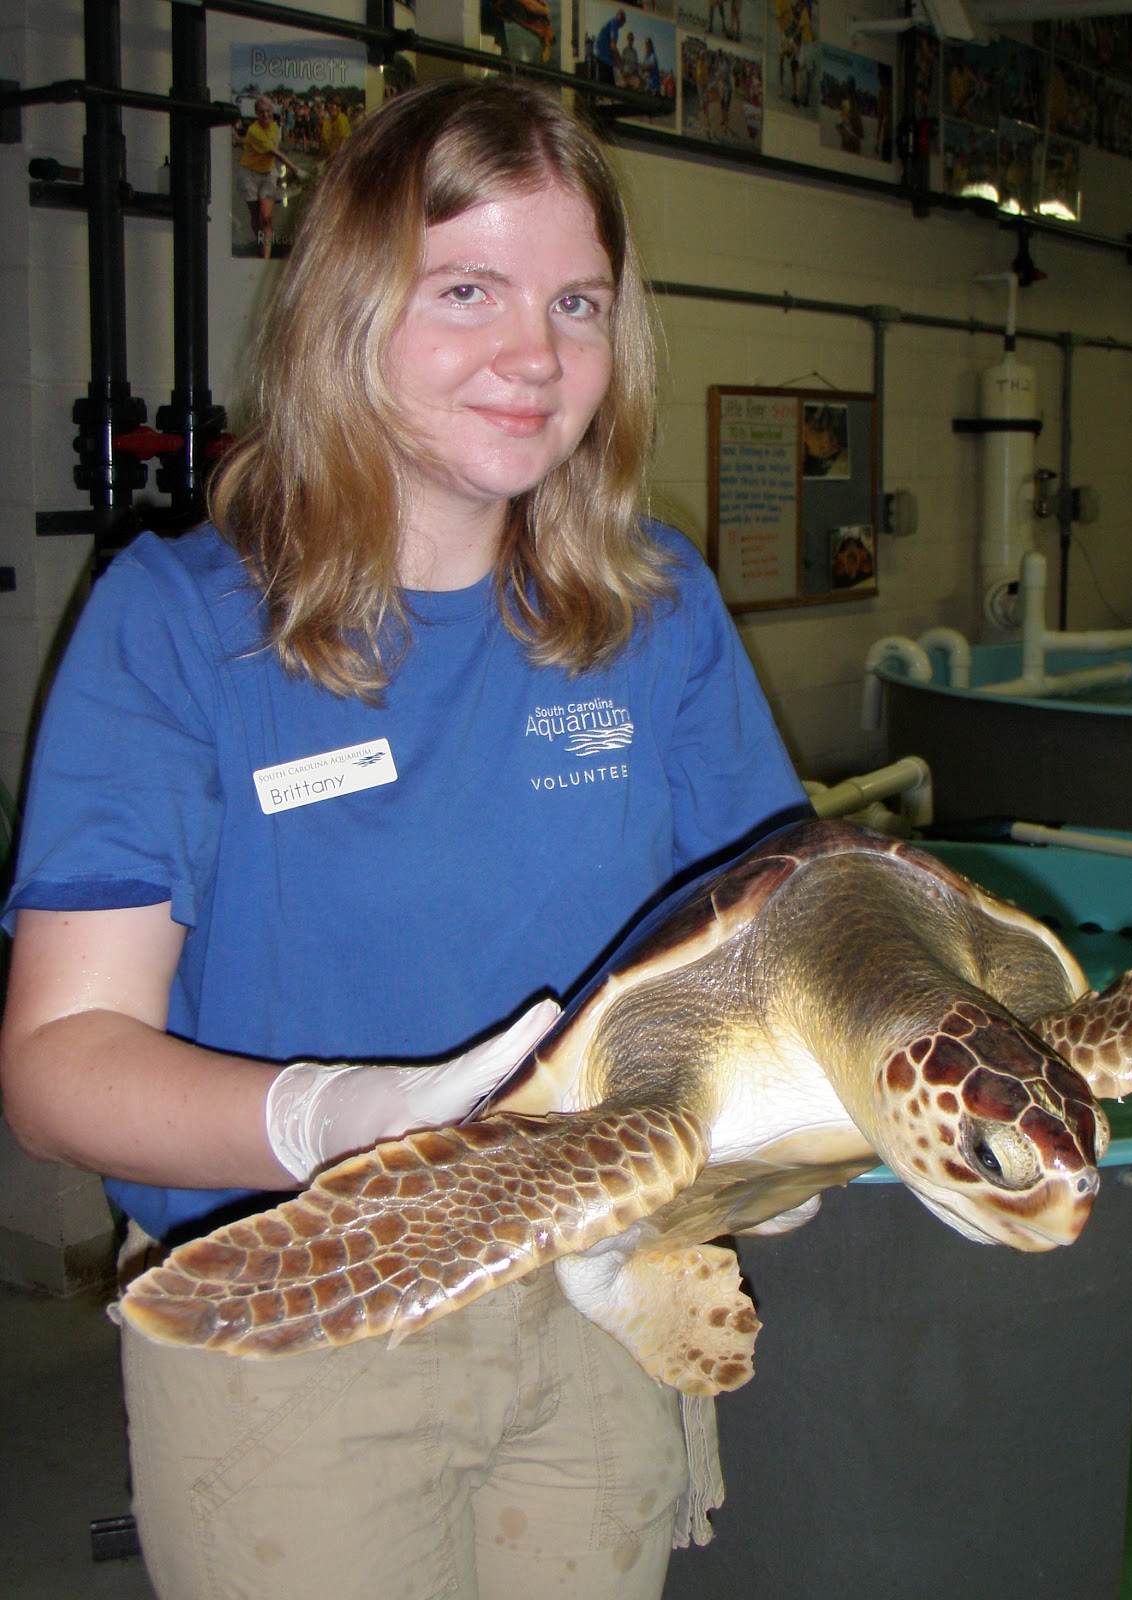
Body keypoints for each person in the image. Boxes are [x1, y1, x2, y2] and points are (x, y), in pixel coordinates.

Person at [0, 78, 806, 1600]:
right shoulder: (177, 629)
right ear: (349, 312)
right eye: (467, 290)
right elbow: (59, 1064)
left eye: (578, 299)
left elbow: (785, 929)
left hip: (597, 1290)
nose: (535, 354)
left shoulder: (654, 609)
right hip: (302, 1302)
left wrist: (805, 1104)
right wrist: (344, 1120)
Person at [234, 95, 303, 257]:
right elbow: (274, 152)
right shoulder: (253, 131)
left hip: (267, 174)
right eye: (262, 112)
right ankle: (261, 241)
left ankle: (265, 256)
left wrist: (279, 174)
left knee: (266, 217)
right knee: (256, 217)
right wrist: (296, 169)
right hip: (249, 175)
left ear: (273, 112)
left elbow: (274, 154)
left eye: (269, 112)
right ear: (257, 113)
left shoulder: (274, 128)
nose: (266, 115)